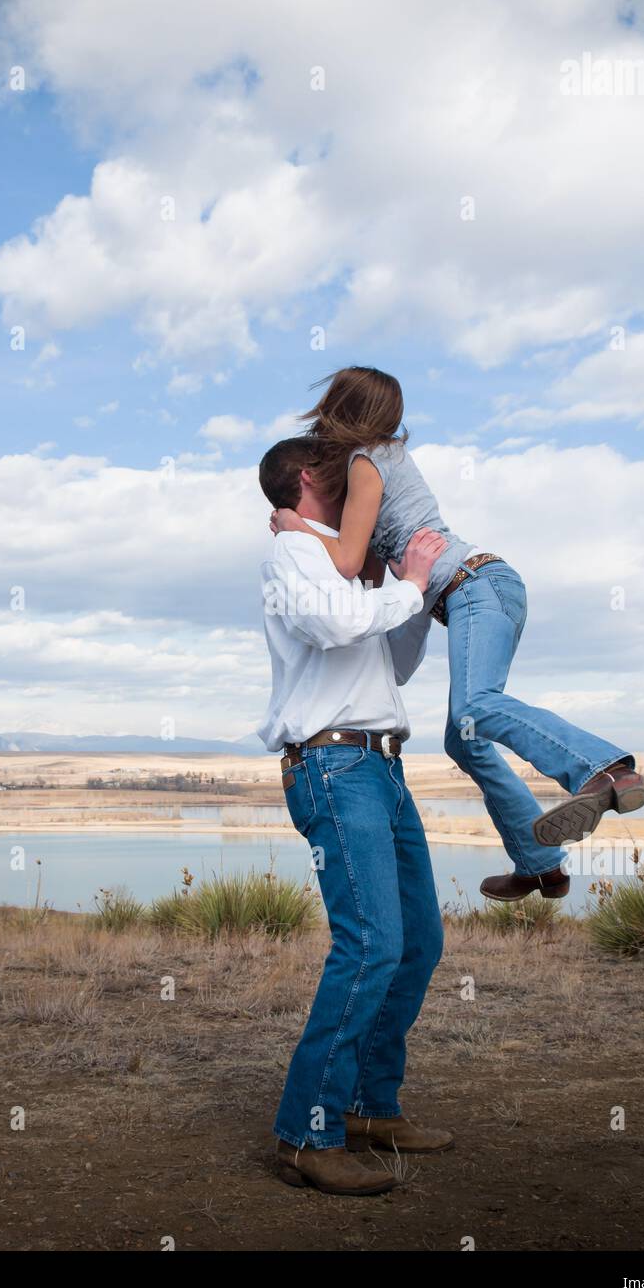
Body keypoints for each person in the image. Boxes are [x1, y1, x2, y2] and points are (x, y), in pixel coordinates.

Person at [271, 367, 644, 903]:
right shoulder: (381, 468)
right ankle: (540, 862)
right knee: (464, 737)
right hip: (481, 589)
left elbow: (348, 559)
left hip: (475, 586)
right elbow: (368, 581)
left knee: (479, 707)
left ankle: (605, 770)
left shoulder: (366, 461)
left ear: (340, 410)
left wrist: (295, 524)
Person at [257, 435, 453, 1195]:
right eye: (346, 477)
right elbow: (338, 626)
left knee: (418, 941)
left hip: (382, 762)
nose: (360, 490)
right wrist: (399, 585)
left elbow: (390, 660)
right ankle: (307, 1134)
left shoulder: (338, 562)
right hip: (334, 766)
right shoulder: (292, 556)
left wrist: (412, 588)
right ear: (310, 480)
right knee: (370, 944)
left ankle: (371, 1105)